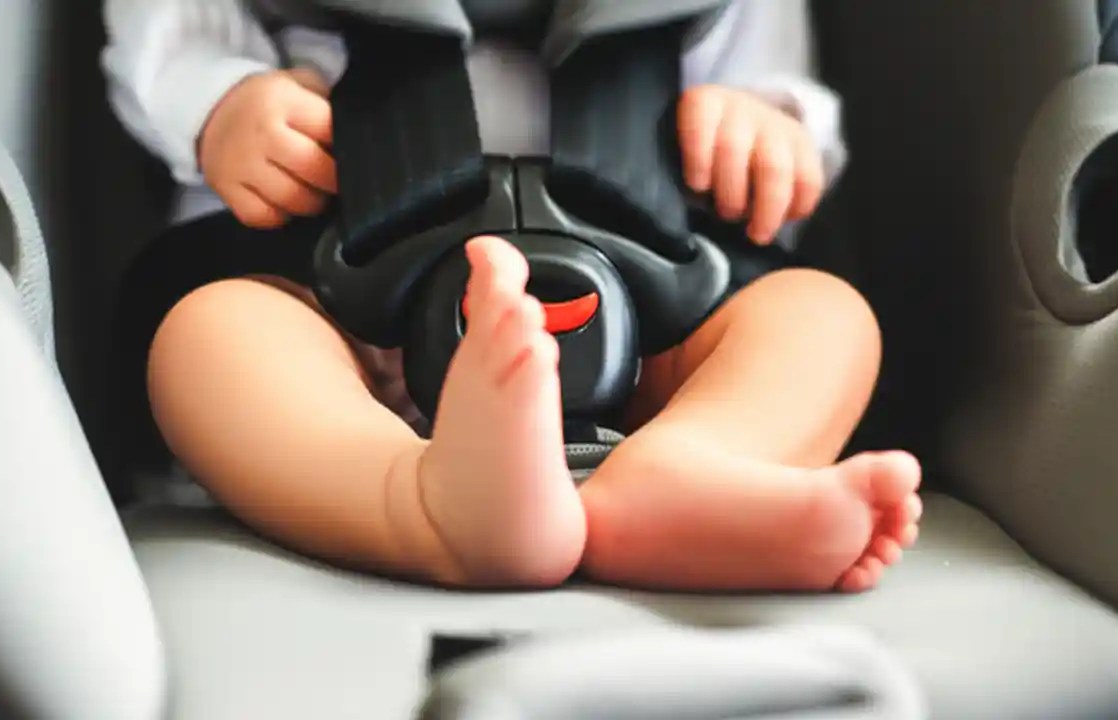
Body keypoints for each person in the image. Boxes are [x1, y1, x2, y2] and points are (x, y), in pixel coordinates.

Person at [100, 0, 923, 593]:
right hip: (337, 293)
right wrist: (221, 103)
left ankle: (686, 469)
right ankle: (413, 501)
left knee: (821, 316)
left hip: (652, 313)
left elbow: (780, 88)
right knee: (212, 337)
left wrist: (763, 126)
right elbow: (170, 36)